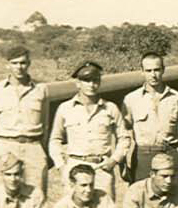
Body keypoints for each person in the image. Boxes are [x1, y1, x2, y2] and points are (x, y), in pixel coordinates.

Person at [48, 60, 132, 200]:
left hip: (101, 168)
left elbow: (124, 138)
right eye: (86, 81)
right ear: (78, 83)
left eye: (95, 80)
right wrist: (62, 166)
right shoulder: (65, 109)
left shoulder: (110, 108)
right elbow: (54, 140)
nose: (91, 85)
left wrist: (114, 160)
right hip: (74, 167)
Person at [0, 46, 49, 195]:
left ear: (29, 63)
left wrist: (41, 148)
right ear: (7, 64)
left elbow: (45, 123)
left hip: (32, 145)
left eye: (23, 63)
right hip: (5, 145)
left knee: (36, 194)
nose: (19, 67)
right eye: (14, 63)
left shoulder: (41, 89)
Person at [122, 52, 178, 183]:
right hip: (143, 156)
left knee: (175, 196)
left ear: (163, 70)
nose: (153, 75)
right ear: (142, 72)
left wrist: (174, 143)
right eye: (148, 70)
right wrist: (125, 159)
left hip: (169, 153)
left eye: (157, 70)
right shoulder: (131, 99)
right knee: (142, 196)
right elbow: (124, 129)